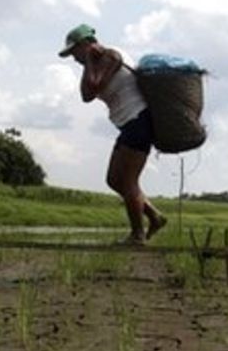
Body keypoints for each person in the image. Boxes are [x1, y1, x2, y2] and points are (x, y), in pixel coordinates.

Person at [58, 24, 167, 245]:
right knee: (113, 180)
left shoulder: (111, 56)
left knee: (128, 182)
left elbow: (94, 86)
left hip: (138, 121)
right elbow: (86, 95)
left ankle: (137, 236)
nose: (74, 58)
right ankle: (155, 217)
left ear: (86, 44)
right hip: (128, 124)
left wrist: (88, 60)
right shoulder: (94, 63)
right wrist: (88, 62)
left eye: (75, 52)